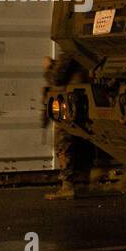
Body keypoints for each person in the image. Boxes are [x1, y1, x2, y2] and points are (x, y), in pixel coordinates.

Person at [43, 55, 94, 200]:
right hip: (84, 100)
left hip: (71, 103)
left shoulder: (70, 50)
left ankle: (67, 186)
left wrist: (49, 67)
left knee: (63, 144)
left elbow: (56, 78)